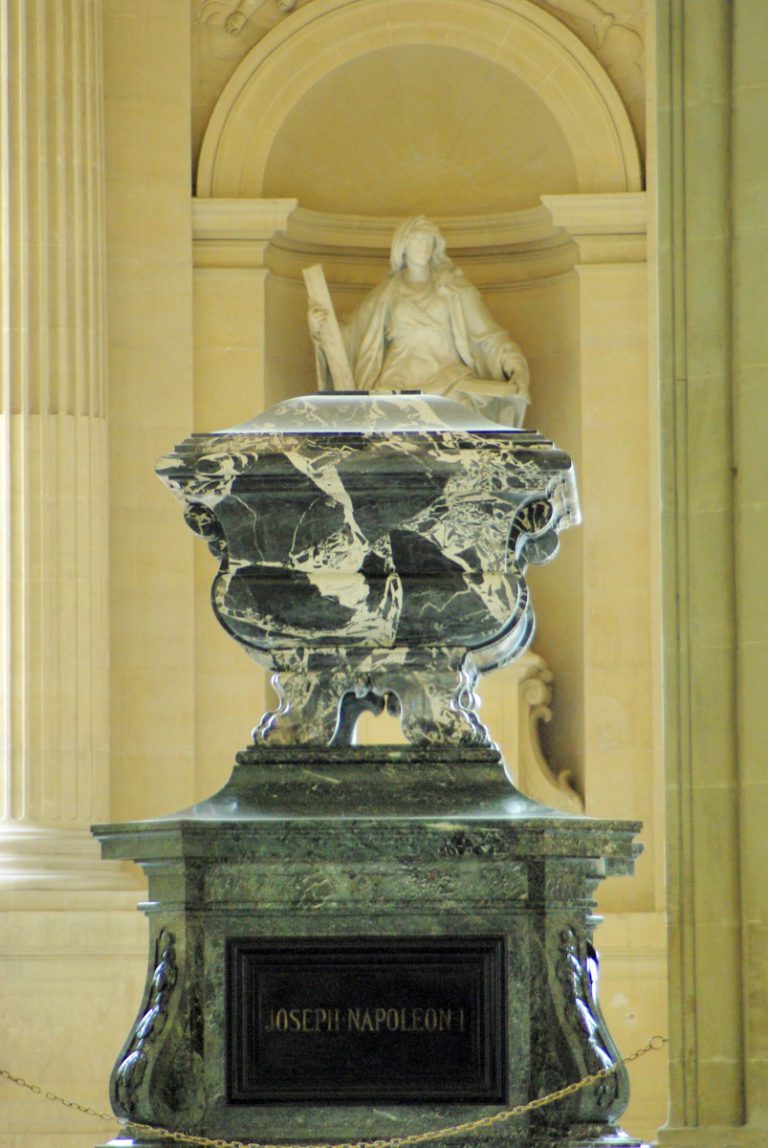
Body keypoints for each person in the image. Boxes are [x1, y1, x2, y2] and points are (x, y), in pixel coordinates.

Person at [308, 215, 529, 426]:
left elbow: (488, 337)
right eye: (417, 240)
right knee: (385, 423)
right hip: (397, 381)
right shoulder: (387, 293)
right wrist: (321, 327)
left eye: (428, 240)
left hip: (449, 379)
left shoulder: (454, 288)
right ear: (402, 245)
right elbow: (352, 336)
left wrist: (515, 365)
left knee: (460, 419)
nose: (423, 246)